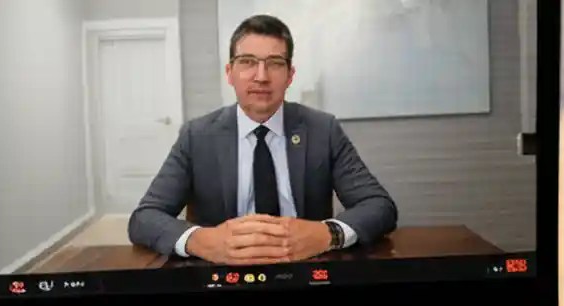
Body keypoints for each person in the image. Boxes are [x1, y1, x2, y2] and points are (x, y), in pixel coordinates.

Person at [128, 15, 397, 265]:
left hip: (306, 270)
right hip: (222, 275)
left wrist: (328, 234)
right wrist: (202, 241)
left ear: (290, 75)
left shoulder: (322, 129)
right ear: (229, 72)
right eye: (247, 62)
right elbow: (145, 218)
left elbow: (379, 206)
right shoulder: (197, 136)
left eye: (275, 64)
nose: (261, 76)